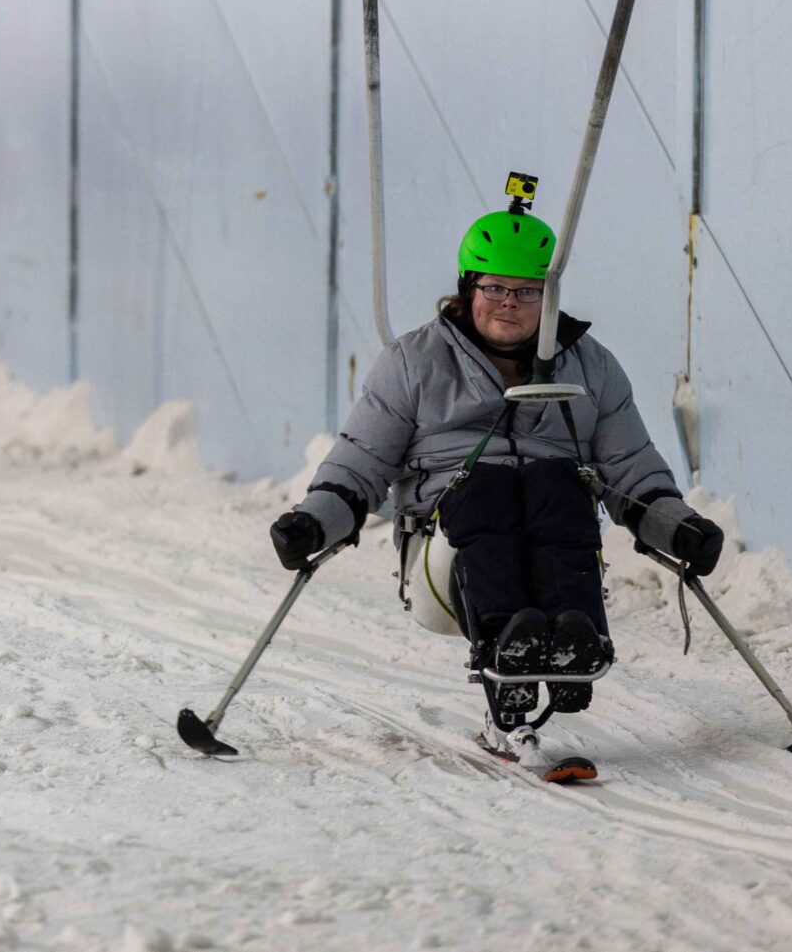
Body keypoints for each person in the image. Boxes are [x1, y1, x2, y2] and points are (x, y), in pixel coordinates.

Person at [270, 180, 727, 774]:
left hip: (551, 521)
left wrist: (679, 528)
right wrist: (313, 522)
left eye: (526, 290)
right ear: (468, 288)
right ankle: (504, 657)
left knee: (557, 484)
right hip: (447, 544)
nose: (507, 302)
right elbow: (362, 460)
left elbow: (627, 466)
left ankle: (574, 642)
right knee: (486, 488)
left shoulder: (592, 367)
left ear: (550, 296)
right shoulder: (414, 363)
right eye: (493, 287)